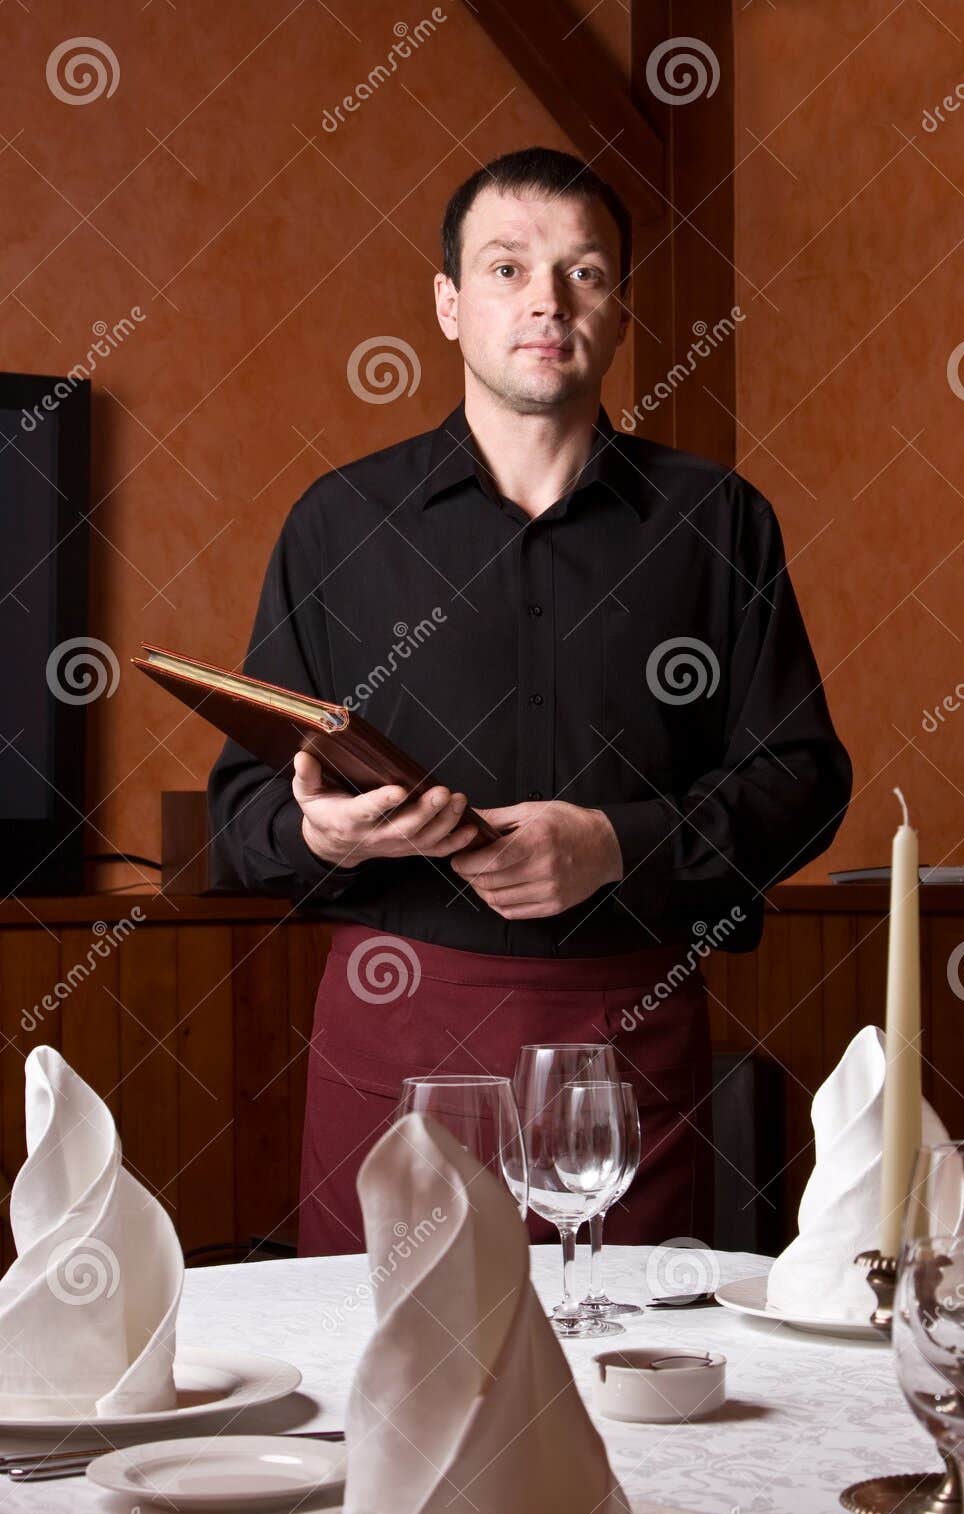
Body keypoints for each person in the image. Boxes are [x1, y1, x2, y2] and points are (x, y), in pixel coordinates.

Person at [207, 146, 852, 1256]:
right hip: (392, 1020)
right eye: (506, 269)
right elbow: (240, 814)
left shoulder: (718, 521)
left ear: (618, 310)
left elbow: (802, 781)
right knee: (379, 1356)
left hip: (626, 1037)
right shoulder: (337, 523)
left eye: (582, 273)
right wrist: (321, 834)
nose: (546, 301)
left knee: (624, 1360)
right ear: (450, 305)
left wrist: (615, 844)